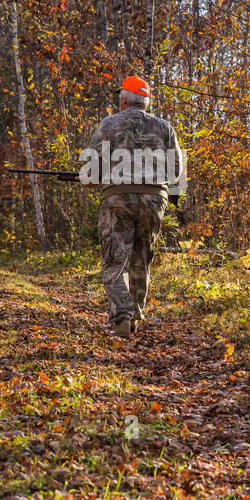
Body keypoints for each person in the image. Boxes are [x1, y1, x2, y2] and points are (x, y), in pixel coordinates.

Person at [82, 75, 184, 339]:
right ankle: (137, 314)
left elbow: (91, 172)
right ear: (146, 101)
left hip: (117, 200)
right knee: (141, 260)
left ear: (124, 99)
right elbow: (177, 171)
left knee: (115, 261)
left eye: (120, 97)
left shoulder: (108, 124)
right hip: (154, 202)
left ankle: (122, 319)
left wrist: (95, 178)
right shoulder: (165, 127)